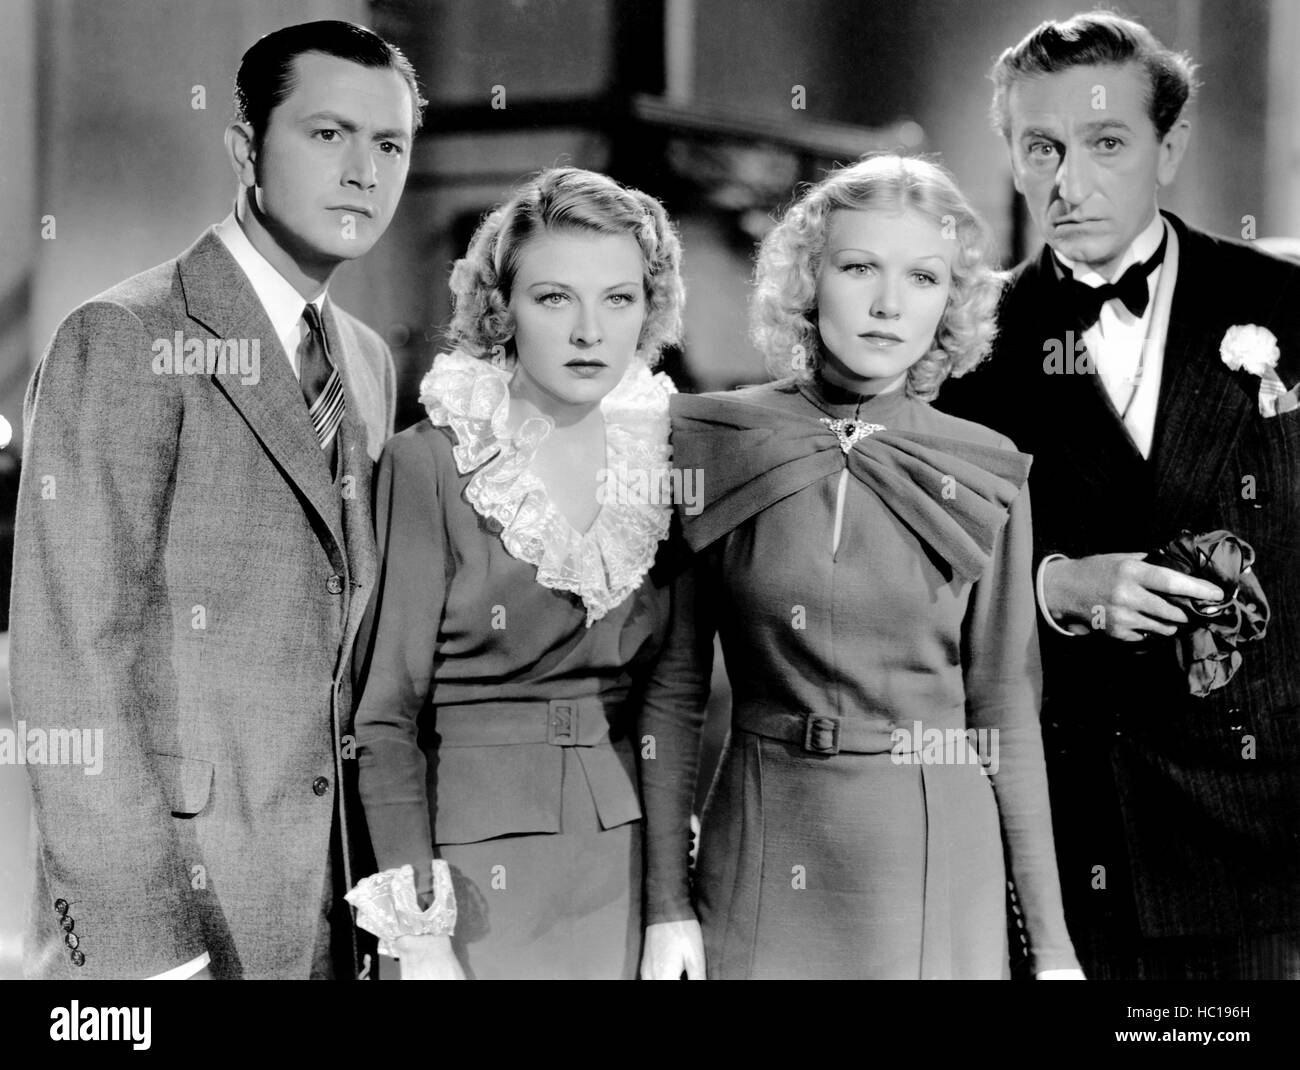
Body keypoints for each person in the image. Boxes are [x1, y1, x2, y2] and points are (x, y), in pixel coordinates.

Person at [10, 20, 423, 979]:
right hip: (174, 925)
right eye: (328, 134)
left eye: (390, 143)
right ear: (245, 148)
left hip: (326, 913)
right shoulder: (123, 335)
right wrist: (146, 951)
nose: (365, 170)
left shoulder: (364, 360)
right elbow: (71, 666)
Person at [639, 154, 1081, 980]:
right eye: (858, 268)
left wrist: (1052, 952)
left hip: (934, 852)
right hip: (764, 842)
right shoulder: (718, 442)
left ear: (952, 300)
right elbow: (672, 691)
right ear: (809, 281)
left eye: (922, 277)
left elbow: (1005, 711)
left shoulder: (985, 468)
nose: (887, 304)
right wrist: (667, 901)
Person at [936, 11, 1300, 979]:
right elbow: (916, 590)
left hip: (1266, 834)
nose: (1070, 180)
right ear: (1012, 155)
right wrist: (1052, 586)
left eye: (1105, 143)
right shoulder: (962, 347)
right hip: (1066, 827)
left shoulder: (1289, 309)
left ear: (1168, 147)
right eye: (1041, 146)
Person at [349, 167, 685, 980]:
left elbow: (670, 698)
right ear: (502, 309)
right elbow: (384, 718)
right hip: (467, 872)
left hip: (621, 862)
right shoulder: (431, 461)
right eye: (553, 298)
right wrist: (421, 930)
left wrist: (673, 905)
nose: (588, 332)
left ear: (649, 310)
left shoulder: (669, 454)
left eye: (618, 299)